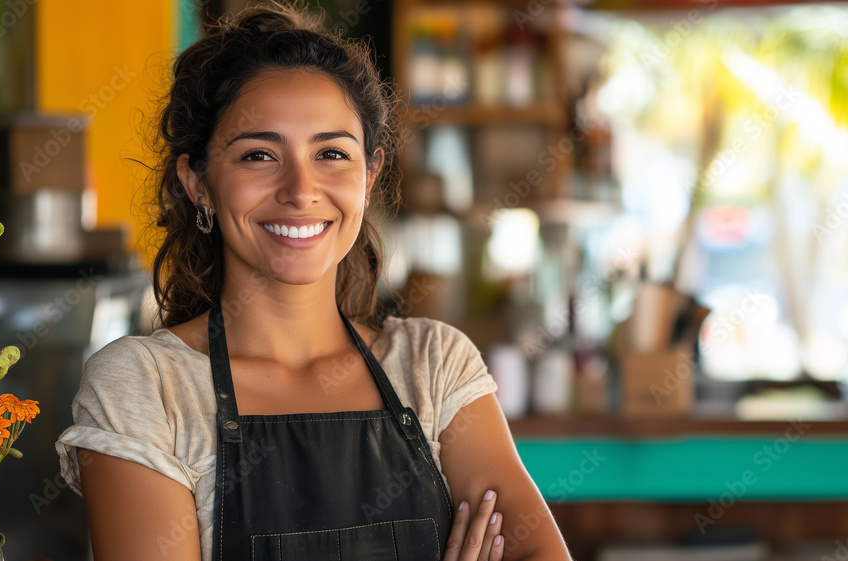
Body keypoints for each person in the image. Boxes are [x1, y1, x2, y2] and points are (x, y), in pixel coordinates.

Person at [54, 3, 572, 560]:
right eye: (259, 155)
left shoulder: (435, 366)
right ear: (197, 182)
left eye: (331, 153)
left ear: (369, 178)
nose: (301, 190)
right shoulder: (145, 389)